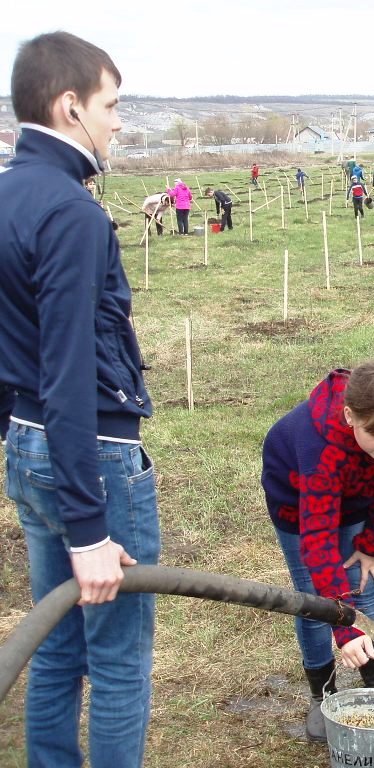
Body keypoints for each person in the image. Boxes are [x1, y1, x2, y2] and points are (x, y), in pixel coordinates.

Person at [0, 32, 159, 767]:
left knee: (56, 637)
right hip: (89, 451)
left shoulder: (7, 192)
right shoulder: (72, 212)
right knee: (119, 655)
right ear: (70, 106)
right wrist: (90, 528)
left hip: (32, 442)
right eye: (112, 104)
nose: (120, 121)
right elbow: (67, 371)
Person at [261, 362, 374, 742]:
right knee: (314, 599)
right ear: (350, 416)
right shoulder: (319, 444)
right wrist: (344, 628)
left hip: (357, 492)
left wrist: (372, 544)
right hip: (297, 500)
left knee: (363, 585)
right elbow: (318, 543)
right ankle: (323, 693)